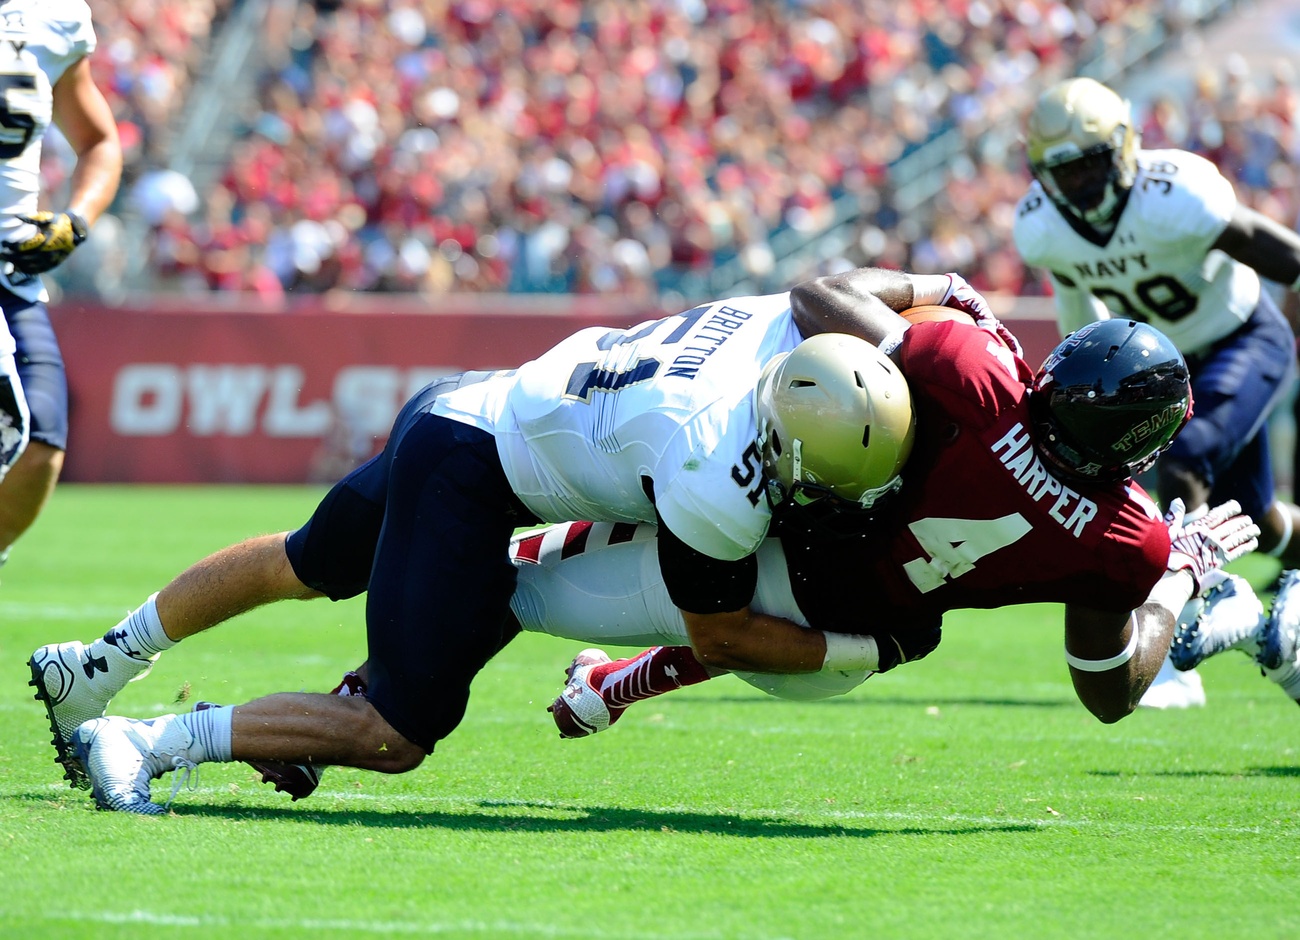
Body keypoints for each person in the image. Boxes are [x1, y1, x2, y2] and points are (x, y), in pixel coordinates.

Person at [30, 268, 1259, 809]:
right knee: (399, 727)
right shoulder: (726, 470)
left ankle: (105, 657)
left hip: (475, 404)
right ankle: (144, 738)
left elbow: (837, 296)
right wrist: (865, 652)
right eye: (833, 482)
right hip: (486, 473)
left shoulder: (842, 358)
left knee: (310, 559)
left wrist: (935, 286)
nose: (842, 495)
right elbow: (721, 623)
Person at [1011, 76, 1300, 708]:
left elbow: (1287, 257)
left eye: (1091, 164)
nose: (1083, 184)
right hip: (1166, 369)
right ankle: (1238, 584)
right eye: (1067, 173)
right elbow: (1077, 309)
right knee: (1262, 519)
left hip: (1243, 336)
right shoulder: (1041, 227)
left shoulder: (1176, 195)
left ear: (1123, 149)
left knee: (1187, 452)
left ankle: (1188, 632)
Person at [0, 0, 123, 570]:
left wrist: (75, 220)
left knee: (39, 444)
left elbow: (98, 140)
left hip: (11, 272)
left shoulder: (54, 14)